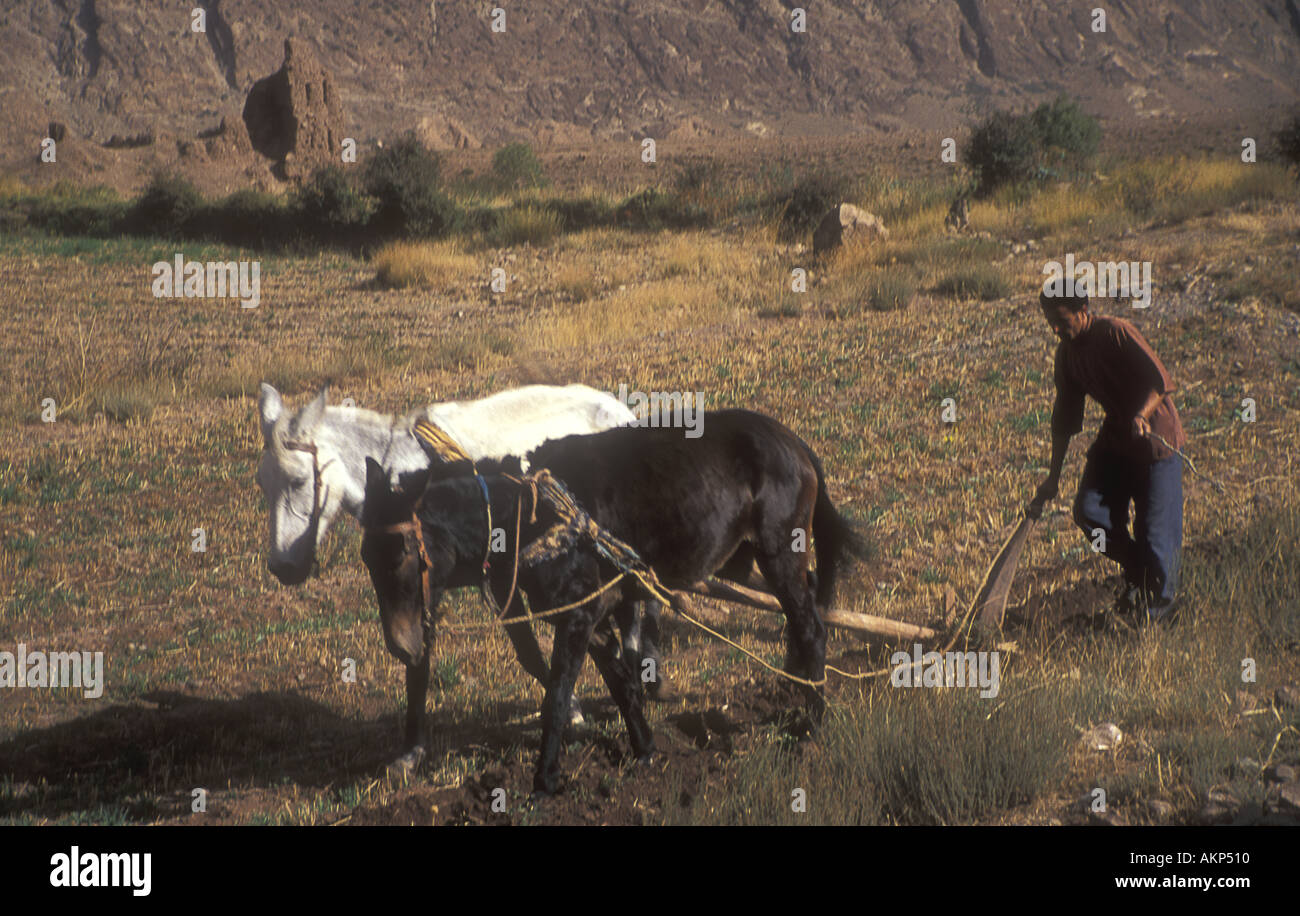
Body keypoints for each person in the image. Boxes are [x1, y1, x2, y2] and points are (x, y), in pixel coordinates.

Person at [1026, 291, 1186, 623]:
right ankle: (1137, 571)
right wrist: (1053, 478)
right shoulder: (1067, 356)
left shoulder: (1117, 331)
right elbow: (1065, 420)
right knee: (1089, 512)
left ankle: (1159, 616)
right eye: (1051, 323)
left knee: (1156, 535)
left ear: (1082, 311)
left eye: (1062, 321)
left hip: (1157, 437)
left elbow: (1161, 382)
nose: (1055, 330)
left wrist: (1141, 415)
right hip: (1117, 438)